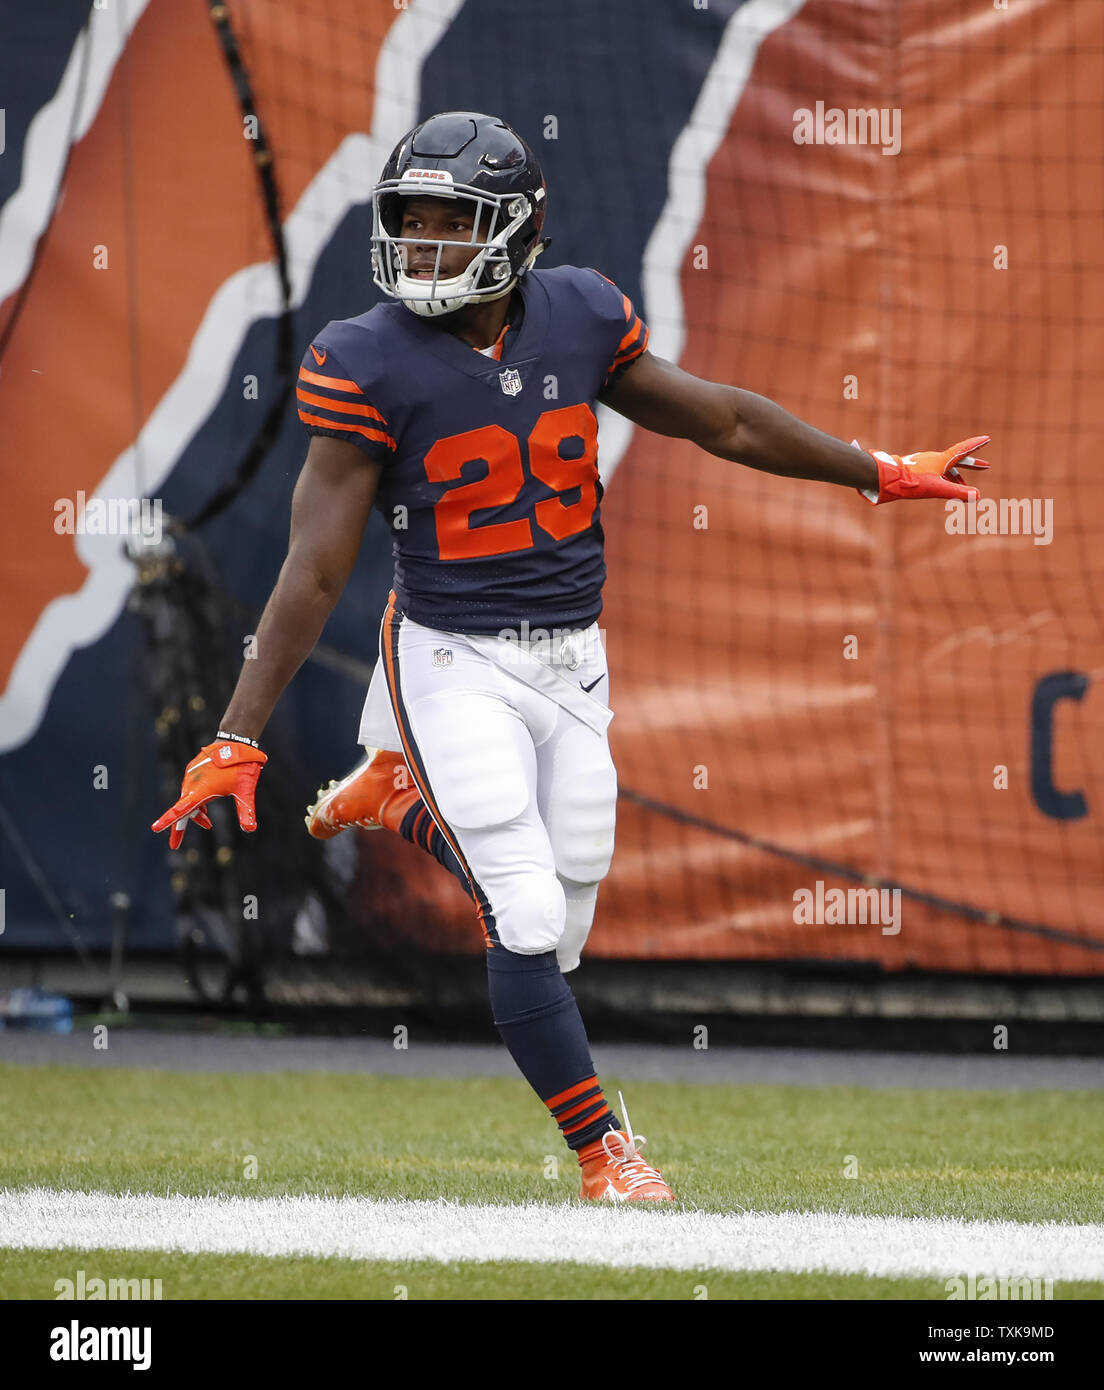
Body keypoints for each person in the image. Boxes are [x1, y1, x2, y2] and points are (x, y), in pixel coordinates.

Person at [153, 111, 992, 1203]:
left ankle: (401, 799)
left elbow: (724, 420)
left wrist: (872, 467)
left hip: (576, 657)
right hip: (451, 655)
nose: (423, 247)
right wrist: (236, 731)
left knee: (571, 904)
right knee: (527, 915)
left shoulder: (583, 313)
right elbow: (314, 570)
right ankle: (606, 1154)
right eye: (408, 221)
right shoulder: (361, 359)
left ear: (515, 230)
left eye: (450, 225)